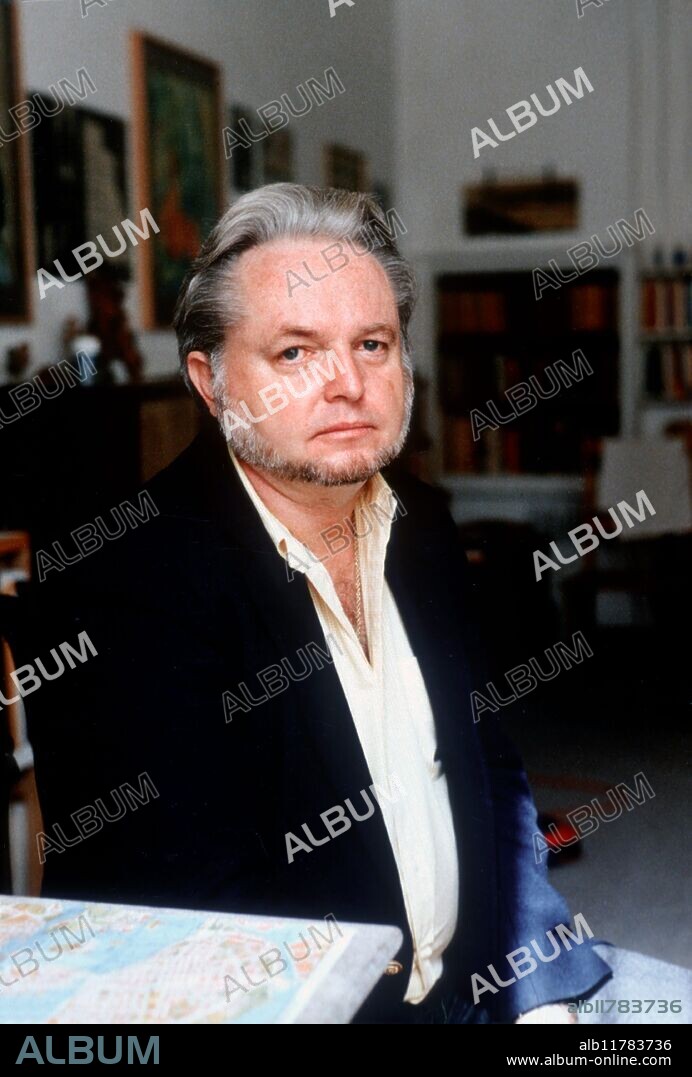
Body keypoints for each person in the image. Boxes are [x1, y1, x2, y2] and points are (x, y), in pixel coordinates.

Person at [22, 184, 610, 1023]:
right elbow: (187, 938)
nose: (349, 383)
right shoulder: (119, 591)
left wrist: (536, 992)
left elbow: (489, 771)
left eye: (373, 343)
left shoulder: (425, 526)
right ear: (212, 382)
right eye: (295, 352)